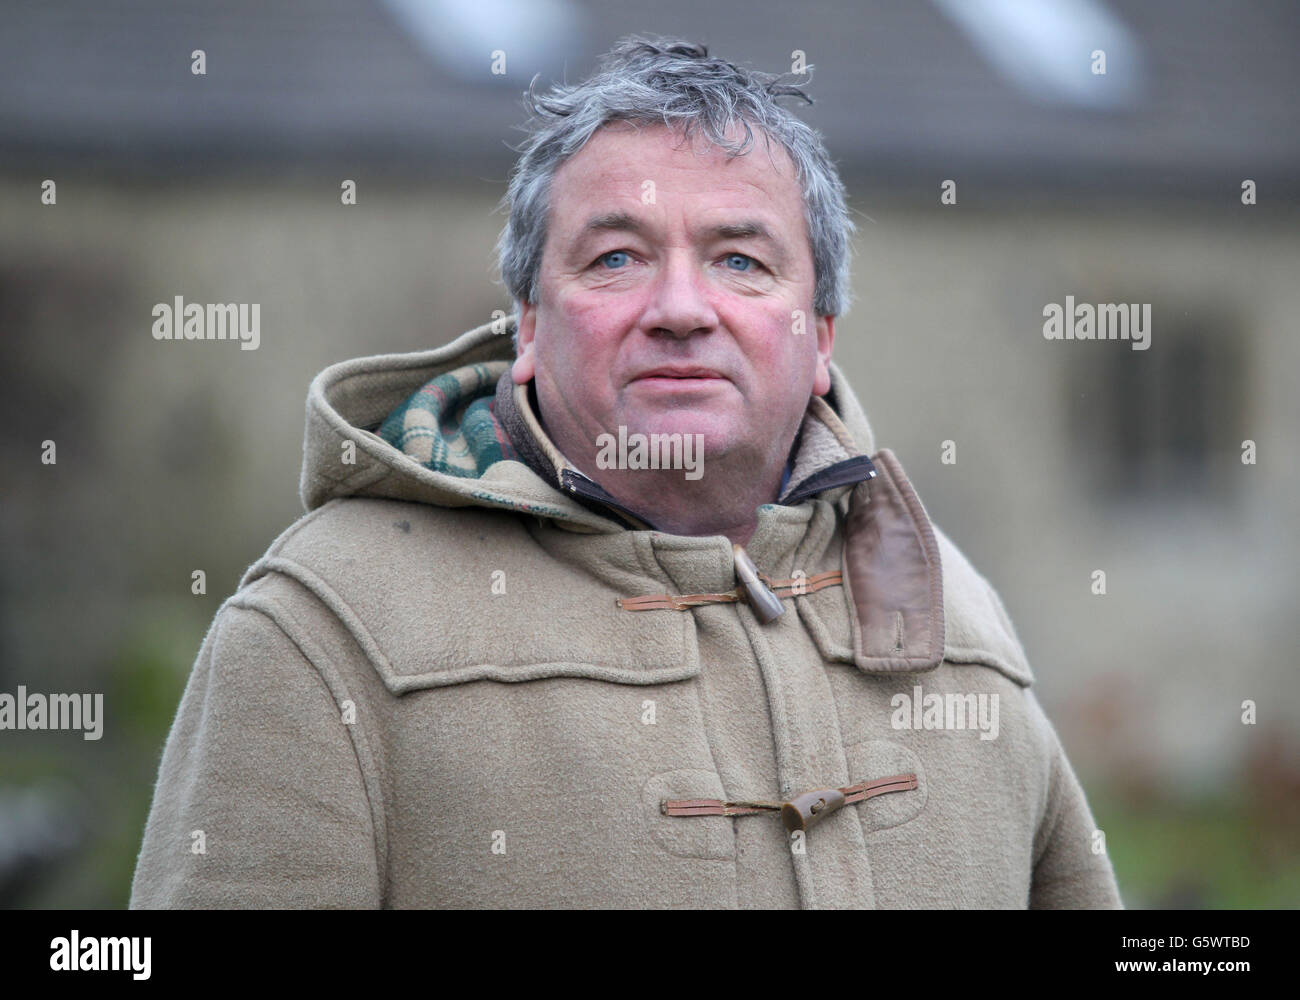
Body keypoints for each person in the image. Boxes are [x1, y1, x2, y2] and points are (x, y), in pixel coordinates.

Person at [130, 35, 1121, 908]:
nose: (681, 308)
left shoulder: (958, 617)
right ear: (528, 325)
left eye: (740, 261)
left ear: (819, 335)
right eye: (615, 258)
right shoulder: (322, 628)